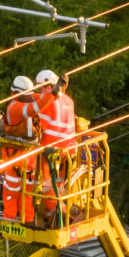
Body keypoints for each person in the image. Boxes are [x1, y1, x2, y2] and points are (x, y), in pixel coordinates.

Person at [1, 75, 56, 223]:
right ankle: (10, 221)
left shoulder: (24, 100)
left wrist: (56, 90)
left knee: (27, 192)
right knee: (12, 191)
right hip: (16, 158)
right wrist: (53, 94)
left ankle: (27, 219)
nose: (31, 97)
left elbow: (38, 98)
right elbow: (34, 108)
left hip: (27, 157)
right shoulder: (15, 108)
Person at [35, 69, 74, 222]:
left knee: (46, 185)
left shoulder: (47, 103)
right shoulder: (69, 100)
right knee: (59, 185)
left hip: (51, 149)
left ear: (49, 87)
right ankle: (57, 210)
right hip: (68, 149)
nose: (40, 91)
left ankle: (59, 213)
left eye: (41, 88)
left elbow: (38, 124)